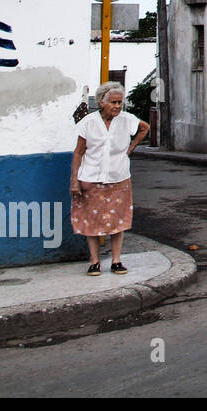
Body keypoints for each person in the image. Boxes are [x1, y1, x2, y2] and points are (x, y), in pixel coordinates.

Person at [69, 82, 149, 275]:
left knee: (117, 221)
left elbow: (145, 127)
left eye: (120, 102)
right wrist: (74, 180)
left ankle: (116, 261)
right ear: (102, 102)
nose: (117, 106)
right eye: (113, 102)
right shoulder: (88, 122)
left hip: (118, 177)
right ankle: (95, 261)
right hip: (92, 177)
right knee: (92, 220)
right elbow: (79, 152)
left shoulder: (126, 119)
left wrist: (129, 149)